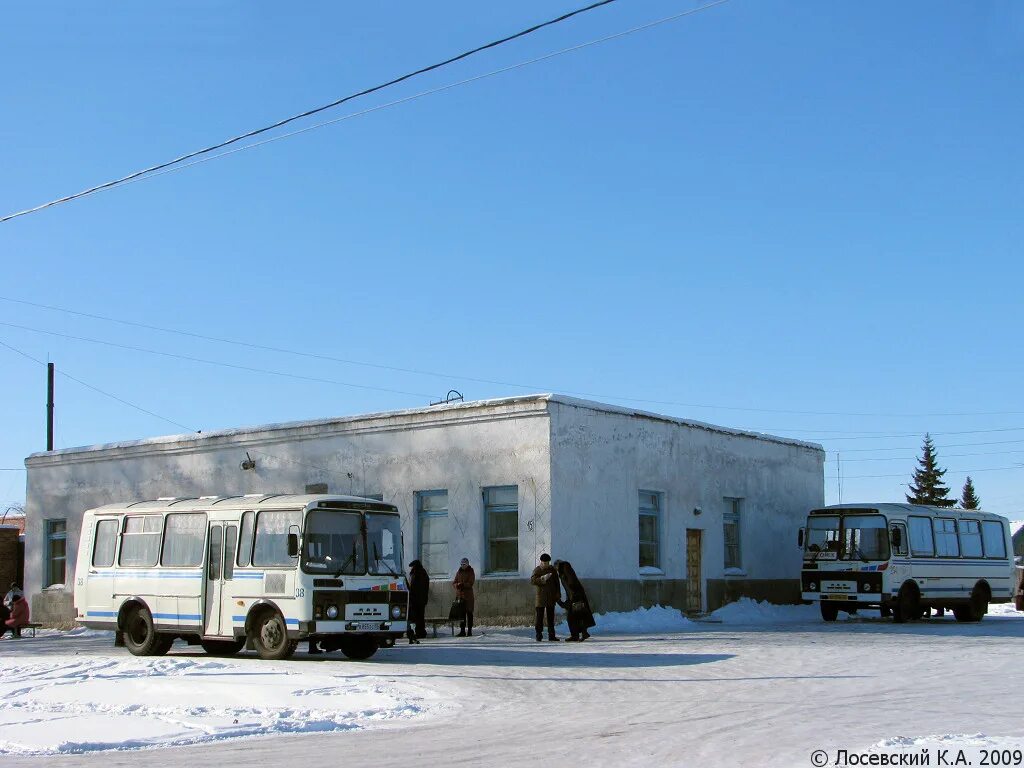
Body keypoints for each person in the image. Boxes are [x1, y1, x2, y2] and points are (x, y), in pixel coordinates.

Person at [555, 560, 595, 642]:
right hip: (574, 595)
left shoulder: (565, 568)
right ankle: (581, 634)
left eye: (556, 568)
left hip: (575, 596)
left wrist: (572, 595)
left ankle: (577, 635)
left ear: (557, 566)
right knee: (577, 615)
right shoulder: (563, 571)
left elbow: (571, 582)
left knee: (574, 616)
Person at [531, 553, 561, 641]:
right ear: (541, 562)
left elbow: (557, 583)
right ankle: (538, 635)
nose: (546, 564)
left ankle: (552, 636)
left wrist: (558, 593)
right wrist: (543, 578)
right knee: (539, 617)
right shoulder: (537, 570)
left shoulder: (552, 570)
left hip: (551, 596)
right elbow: (532, 581)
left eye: (547, 563)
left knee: (551, 617)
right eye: (544, 563)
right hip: (540, 597)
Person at [407, 559, 430, 643]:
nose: (411, 568)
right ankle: (420, 632)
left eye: (412, 566)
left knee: (418, 617)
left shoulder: (418, 573)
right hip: (420, 599)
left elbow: (415, 587)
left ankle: (420, 632)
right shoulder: (421, 573)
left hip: (417, 599)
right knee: (419, 617)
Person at [453, 558, 475, 637]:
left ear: (467, 564)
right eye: (462, 564)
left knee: (469, 613)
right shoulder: (459, 572)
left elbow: (471, 583)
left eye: (464, 564)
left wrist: (463, 584)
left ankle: (469, 631)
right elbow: (454, 582)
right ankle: (462, 631)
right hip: (460, 596)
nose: (463, 566)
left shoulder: (471, 571)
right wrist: (457, 585)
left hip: (468, 596)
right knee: (461, 614)